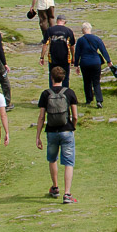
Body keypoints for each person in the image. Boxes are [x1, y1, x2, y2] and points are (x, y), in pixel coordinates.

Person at [36, 66, 78, 203]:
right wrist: (72, 127)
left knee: (52, 159)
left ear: (51, 77)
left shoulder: (45, 94)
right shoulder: (69, 93)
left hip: (52, 131)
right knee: (68, 162)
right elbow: (75, 116)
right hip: (66, 131)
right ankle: (67, 193)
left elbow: (42, 117)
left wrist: (38, 136)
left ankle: (55, 187)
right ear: (63, 78)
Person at [73, 22, 114, 108]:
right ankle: (99, 100)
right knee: (96, 82)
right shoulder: (97, 39)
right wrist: (108, 61)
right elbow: (103, 50)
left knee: (87, 81)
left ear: (83, 30)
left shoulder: (80, 40)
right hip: (95, 62)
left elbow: (77, 53)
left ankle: (89, 99)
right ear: (90, 29)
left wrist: (76, 65)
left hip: (84, 62)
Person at [41, 15, 76, 89]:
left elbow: (45, 44)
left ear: (57, 21)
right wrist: (73, 57)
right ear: (64, 22)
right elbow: (72, 46)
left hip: (53, 58)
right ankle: (65, 93)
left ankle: (52, 93)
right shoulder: (68, 31)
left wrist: (42, 57)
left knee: (52, 76)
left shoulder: (50, 30)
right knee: (65, 77)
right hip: (65, 58)